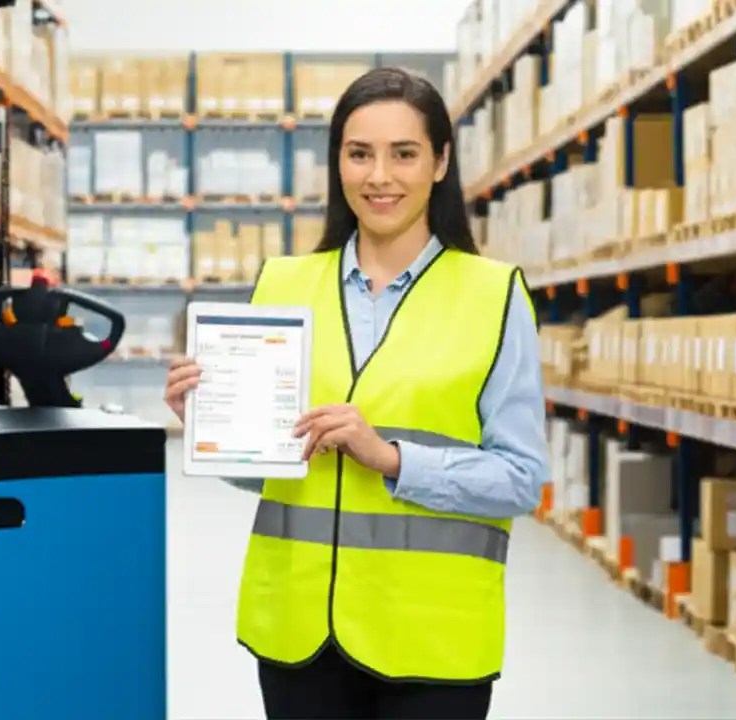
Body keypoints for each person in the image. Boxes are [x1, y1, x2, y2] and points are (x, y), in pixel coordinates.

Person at [163, 67, 547, 720]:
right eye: (359, 153)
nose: (380, 177)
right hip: (298, 632)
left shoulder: (493, 295)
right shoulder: (282, 284)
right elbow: (268, 474)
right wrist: (209, 422)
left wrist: (393, 458)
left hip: (432, 635)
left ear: (440, 162)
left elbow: (521, 479)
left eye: (404, 154)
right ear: (337, 161)